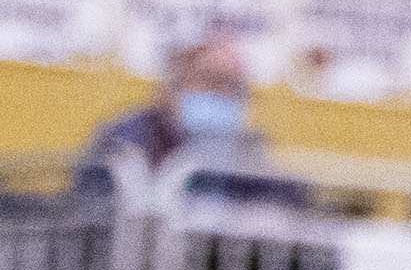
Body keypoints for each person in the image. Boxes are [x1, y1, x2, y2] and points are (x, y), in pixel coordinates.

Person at [74, 38, 281, 201]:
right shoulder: (128, 136)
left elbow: (279, 194)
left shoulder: (244, 146)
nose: (221, 96)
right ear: (175, 84)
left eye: (233, 89)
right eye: (211, 82)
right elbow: (94, 195)